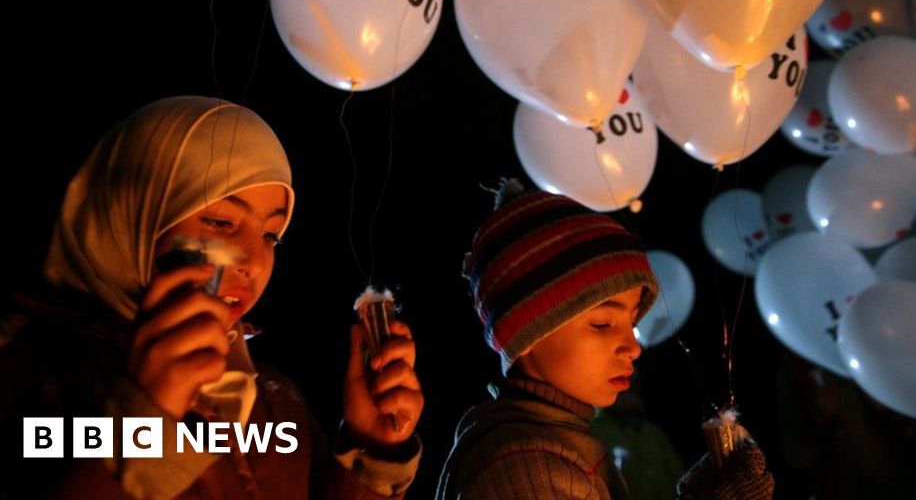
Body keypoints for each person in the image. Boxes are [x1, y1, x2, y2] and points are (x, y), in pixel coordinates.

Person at [0, 96, 423, 499]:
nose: (253, 263)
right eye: (220, 221)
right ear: (132, 211)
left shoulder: (273, 402)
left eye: (271, 235)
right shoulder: (31, 376)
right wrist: (143, 421)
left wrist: (372, 454)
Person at [435, 179, 773, 499]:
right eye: (602, 324)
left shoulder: (556, 439)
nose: (634, 348)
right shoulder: (527, 465)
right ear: (526, 332)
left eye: (631, 322)